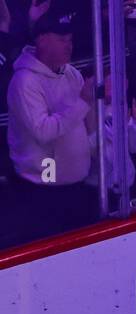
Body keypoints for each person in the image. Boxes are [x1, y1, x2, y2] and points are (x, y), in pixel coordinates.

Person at [6, 9, 95, 243]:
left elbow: (88, 124)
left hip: (77, 186)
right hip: (42, 193)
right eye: (62, 40)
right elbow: (43, 132)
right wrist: (83, 102)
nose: (69, 46)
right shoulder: (24, 82)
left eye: (71, 40)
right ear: (42, 40)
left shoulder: (72, 74)